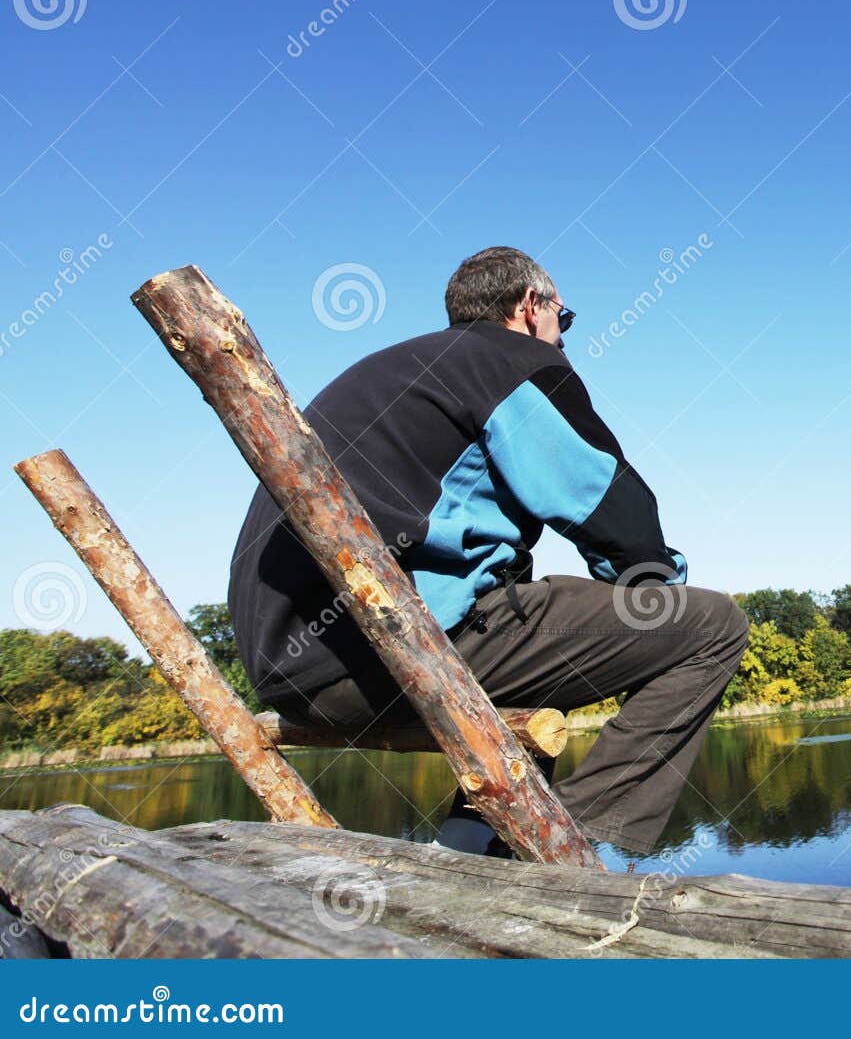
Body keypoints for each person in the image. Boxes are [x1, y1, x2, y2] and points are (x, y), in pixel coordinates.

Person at [227, 246, 748, 856]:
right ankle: (567, 845)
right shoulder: (509, 360)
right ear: (530, 307)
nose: (562, 337)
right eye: (563, 318)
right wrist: (654, 589)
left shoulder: (390, 371)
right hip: (382, 650)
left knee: (539, 653)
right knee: (712, 628)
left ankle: (470, 854)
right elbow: (606, 503)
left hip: (293, 668)